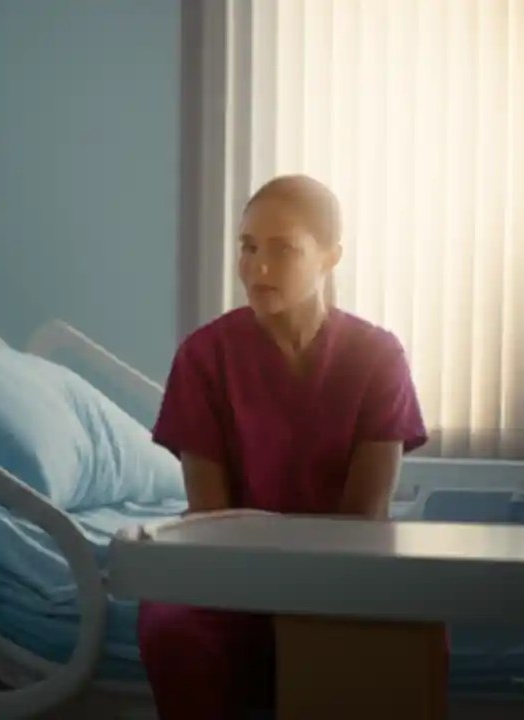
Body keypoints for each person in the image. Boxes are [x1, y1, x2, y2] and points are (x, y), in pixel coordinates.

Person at [137, 174, 428, 719]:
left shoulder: (377, 357)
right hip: (230, 574)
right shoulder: (204, 357)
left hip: (342, 570)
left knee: (406, 627)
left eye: (283, 249)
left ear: (330, 256)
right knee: (172, 627)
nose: (258, 268)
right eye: (248, 247)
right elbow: (212, 519)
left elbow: (364, 518)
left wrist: (304, 599)